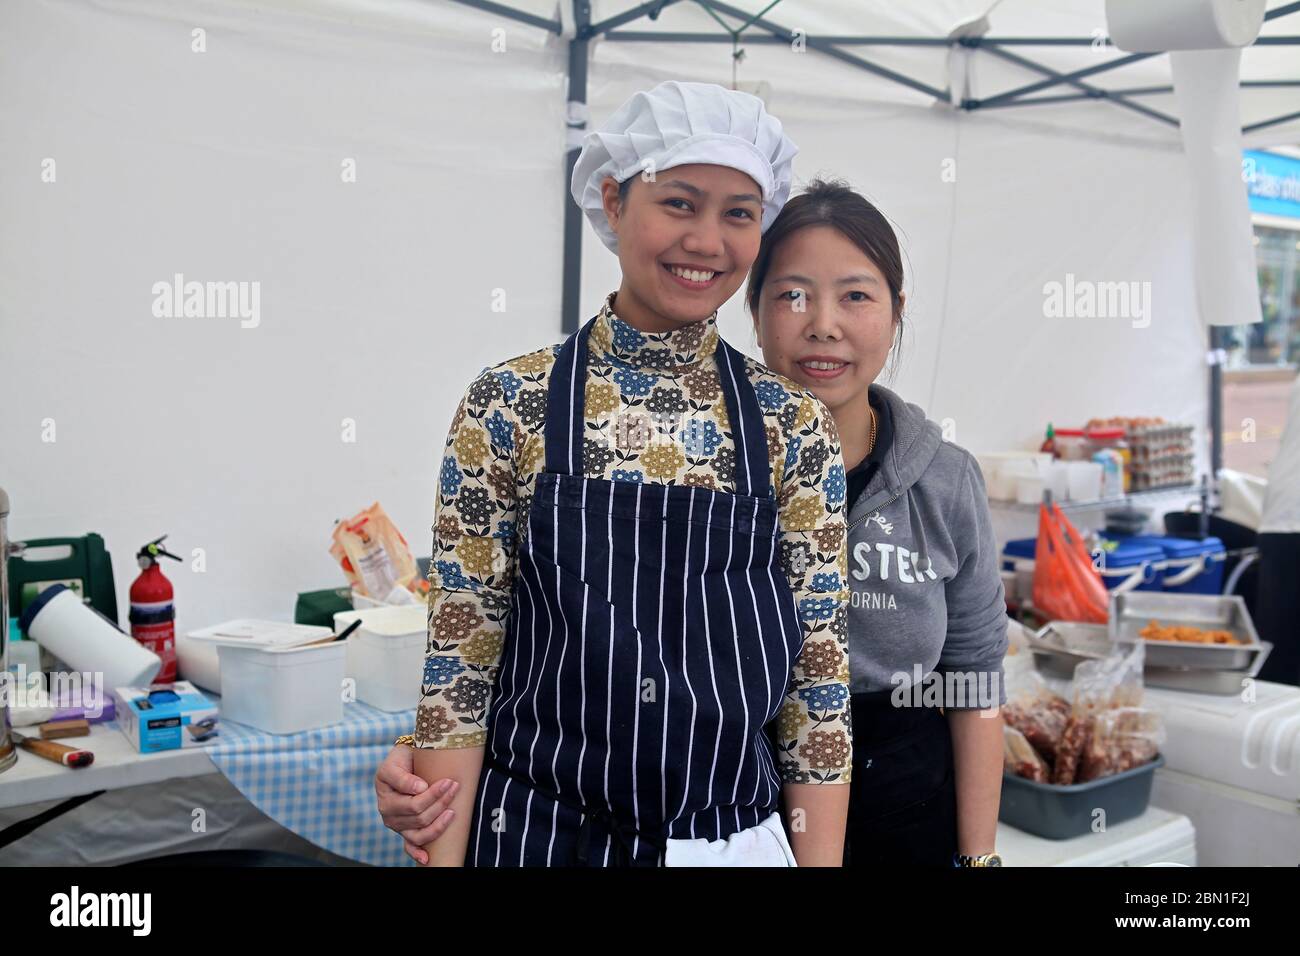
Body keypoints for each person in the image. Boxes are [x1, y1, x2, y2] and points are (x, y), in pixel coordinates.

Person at [383, 81, 852, 867]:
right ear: (613, 197)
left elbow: (819, 687)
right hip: (536, 833)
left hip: (728, 841)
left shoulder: (791, 424)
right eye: (680, 202)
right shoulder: (511, 403)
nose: (707, 240)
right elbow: (462, 657)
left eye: (739, 212)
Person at [747, 179, 1007, 867]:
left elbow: (976, 680)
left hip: (910, 813)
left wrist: (979, 858)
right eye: (793, 295)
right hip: (751, 811)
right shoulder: (712, 476)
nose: (823, 323)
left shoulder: (946, 480)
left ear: (896, 312)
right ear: (755, 309)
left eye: (856, 295)